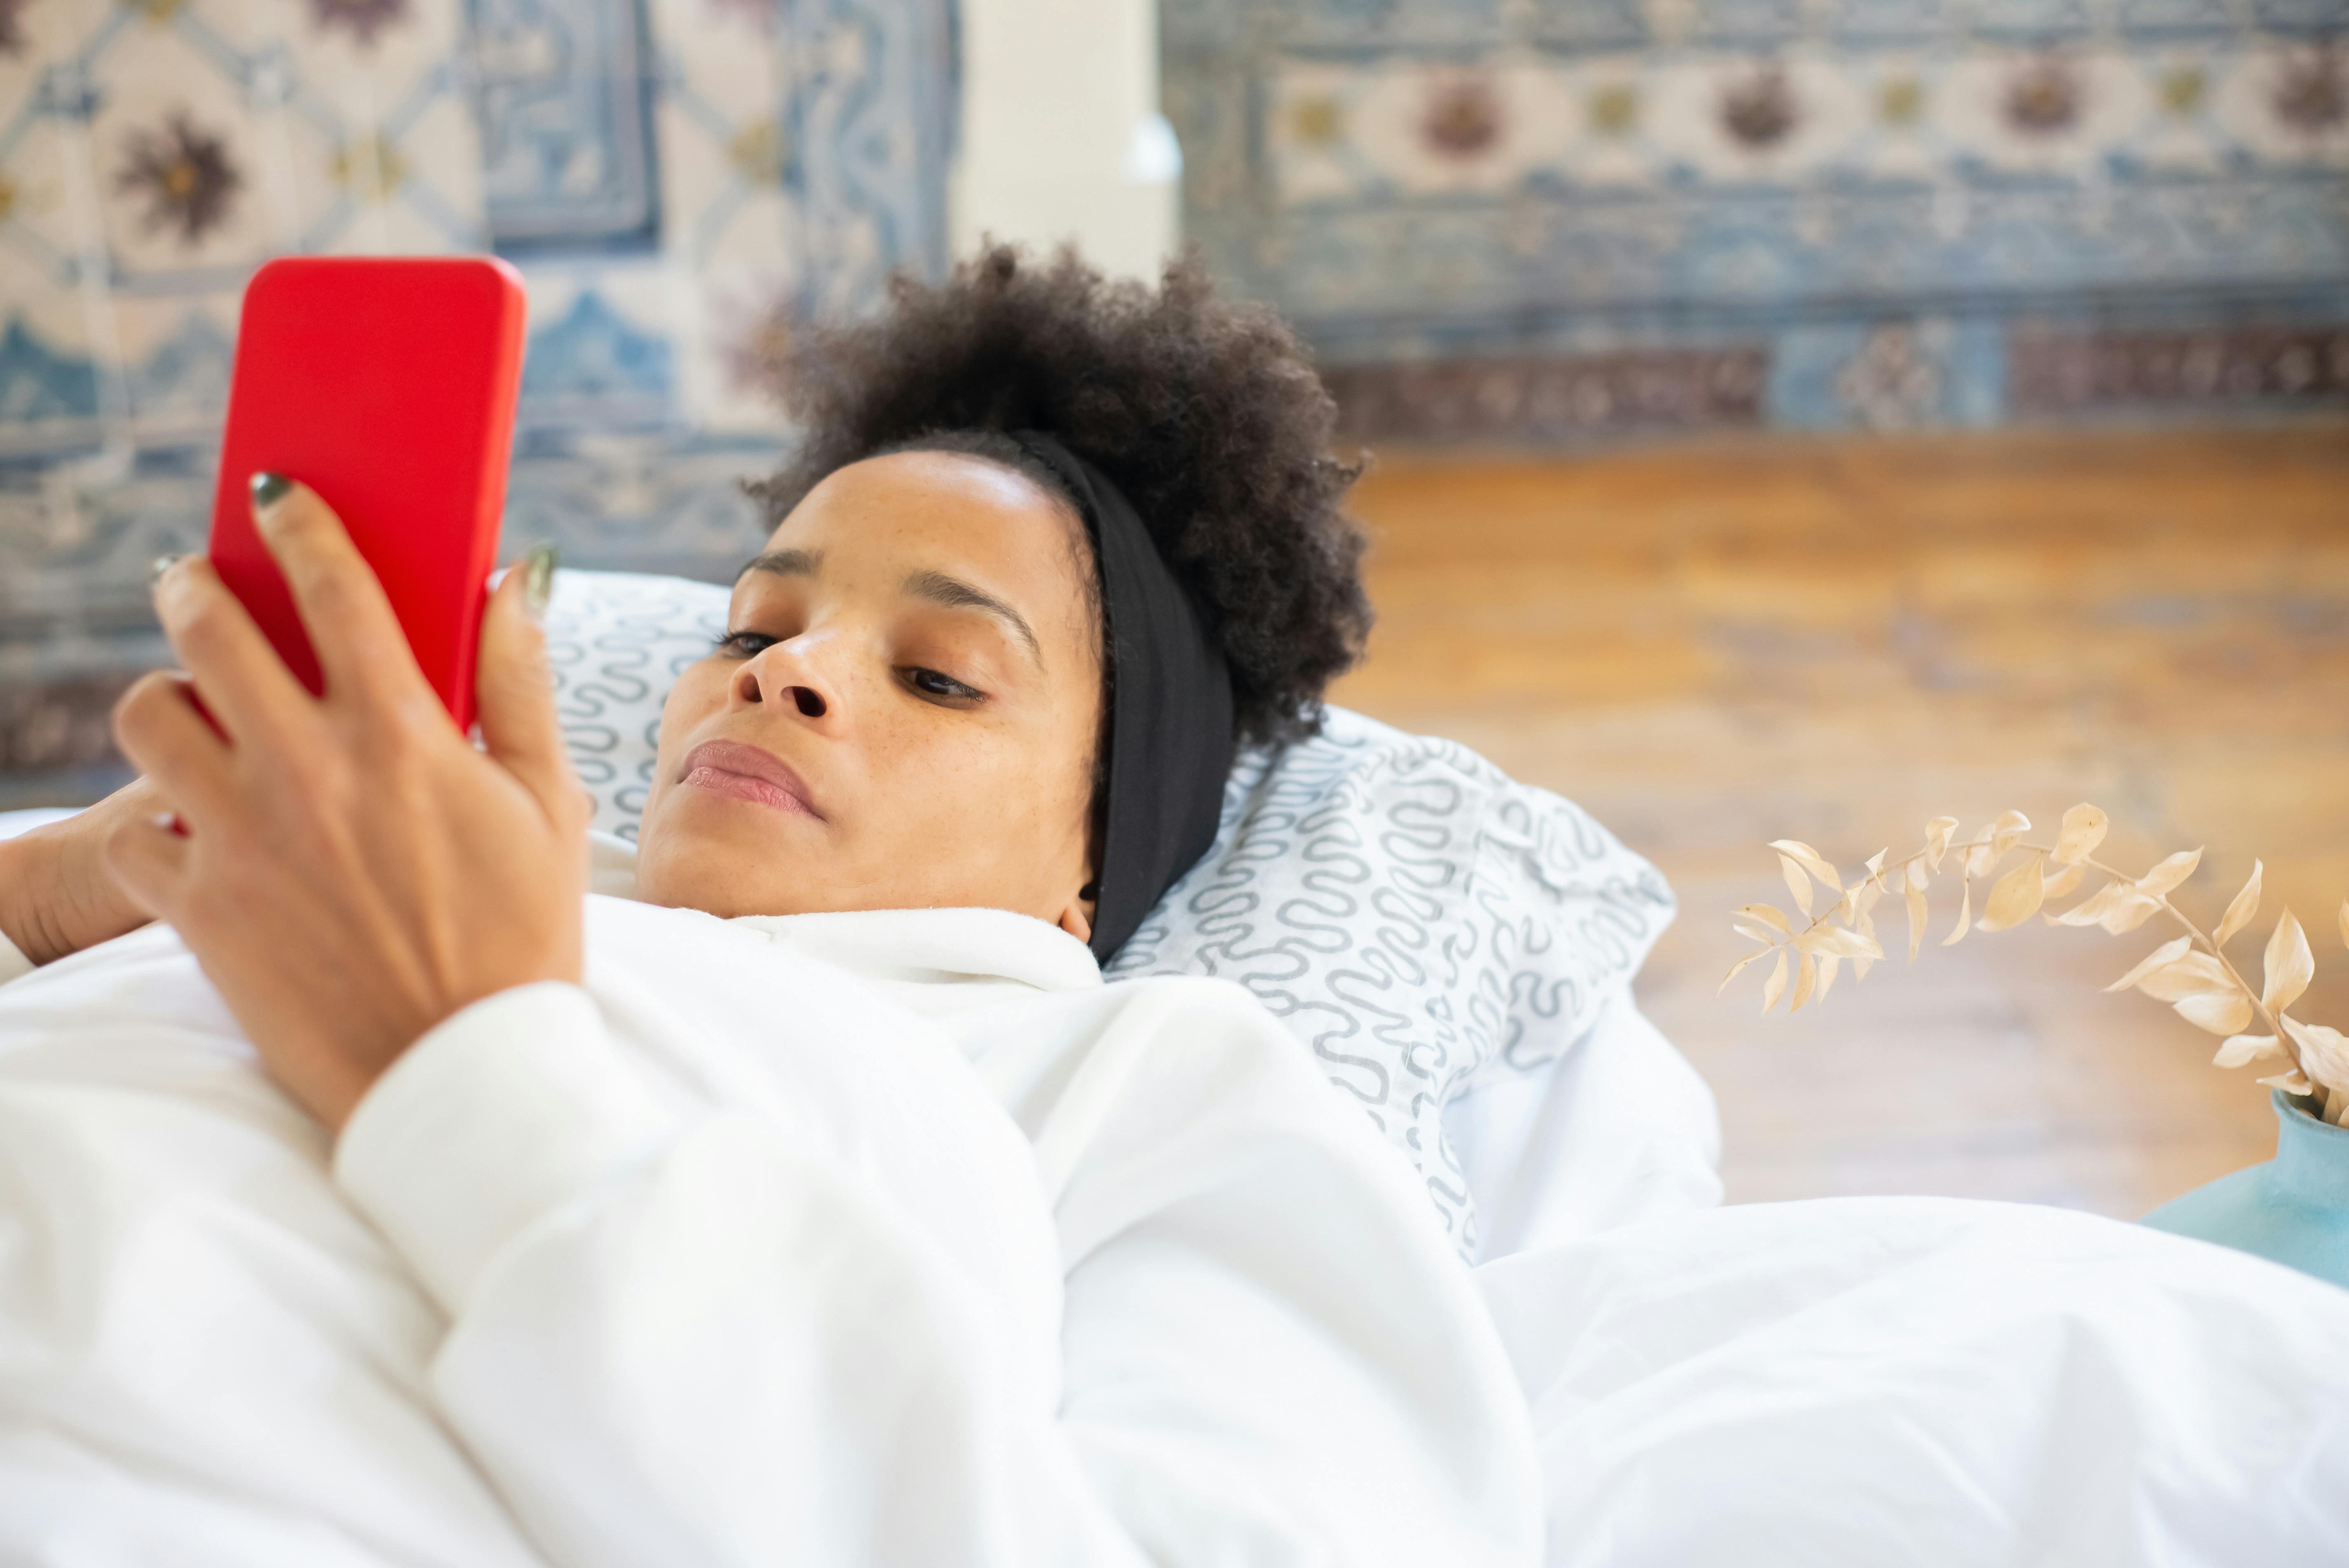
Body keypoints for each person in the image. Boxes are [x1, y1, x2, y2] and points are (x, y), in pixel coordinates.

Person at [0, 249, 1543, 1565]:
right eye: (754, 625)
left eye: (939, 674)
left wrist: (462, 1061)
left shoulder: (1142, 1083)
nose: (780, 672)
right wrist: (54, 891)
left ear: (1097, 862)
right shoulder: (384, 863)